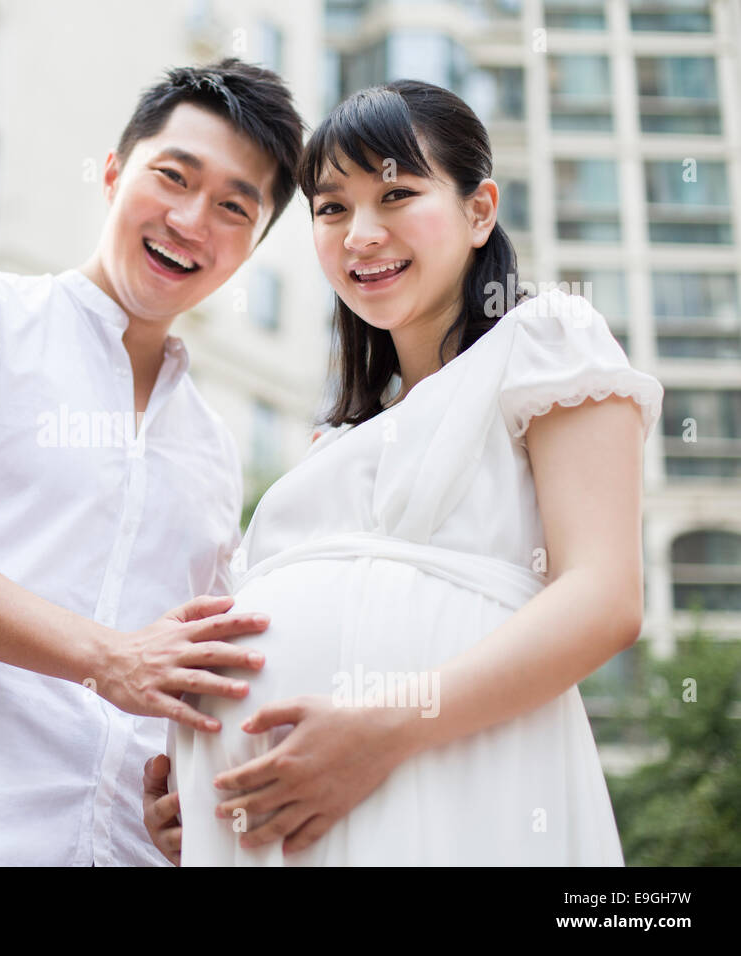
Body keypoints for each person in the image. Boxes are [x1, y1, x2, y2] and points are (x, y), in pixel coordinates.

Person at [144, 79, 664, 866]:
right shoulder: (334, 446)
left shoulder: (549, 341)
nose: (360, 234)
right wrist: (208, 793)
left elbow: (605, 598)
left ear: (480, 209)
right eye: (331, 208)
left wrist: (379, 729)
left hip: (458, 784)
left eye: (396, 194)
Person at [0, 58, 306, 866]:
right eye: (173, 177)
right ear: (115, 173)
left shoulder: (216, 450)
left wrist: (193, 795)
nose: (191, 221)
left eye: (232, 207)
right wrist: (107, 658)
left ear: (250, 247)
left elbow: (196, 675)